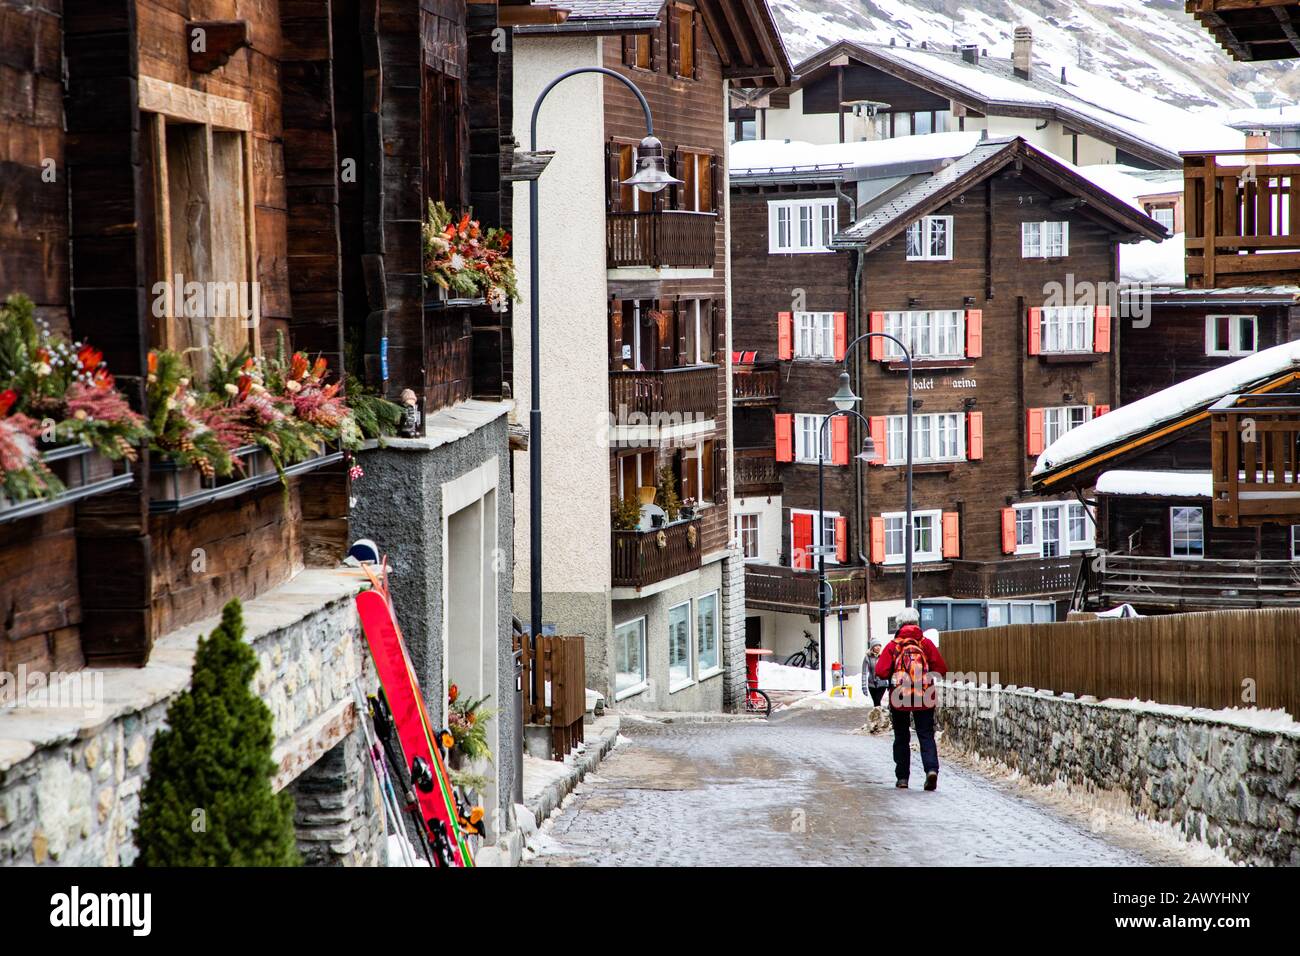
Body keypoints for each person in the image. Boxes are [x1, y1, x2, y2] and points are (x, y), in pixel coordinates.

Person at [875, 608, 947, 791]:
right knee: (925, 734)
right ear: (916, 623)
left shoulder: (893, 645)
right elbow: (941, 669)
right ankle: (931, 770)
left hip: (900, 696)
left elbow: (880, 671)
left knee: (901, 737)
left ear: (899, 625)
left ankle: (902, 778)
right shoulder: (925, 644)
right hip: (924, 695)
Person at [862, 642, 888, 707]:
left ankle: (879, 715)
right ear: (872, 647)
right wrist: (864, 686)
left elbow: (887, 670)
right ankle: (878, 715)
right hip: (871, 684)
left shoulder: (883, 656)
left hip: (882, 683)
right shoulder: (867, 657)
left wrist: (890, 682)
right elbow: (864, 673)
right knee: (876, 703)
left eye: (879, 646)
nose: (878, 647)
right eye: (876, 646)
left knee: (877, 700)